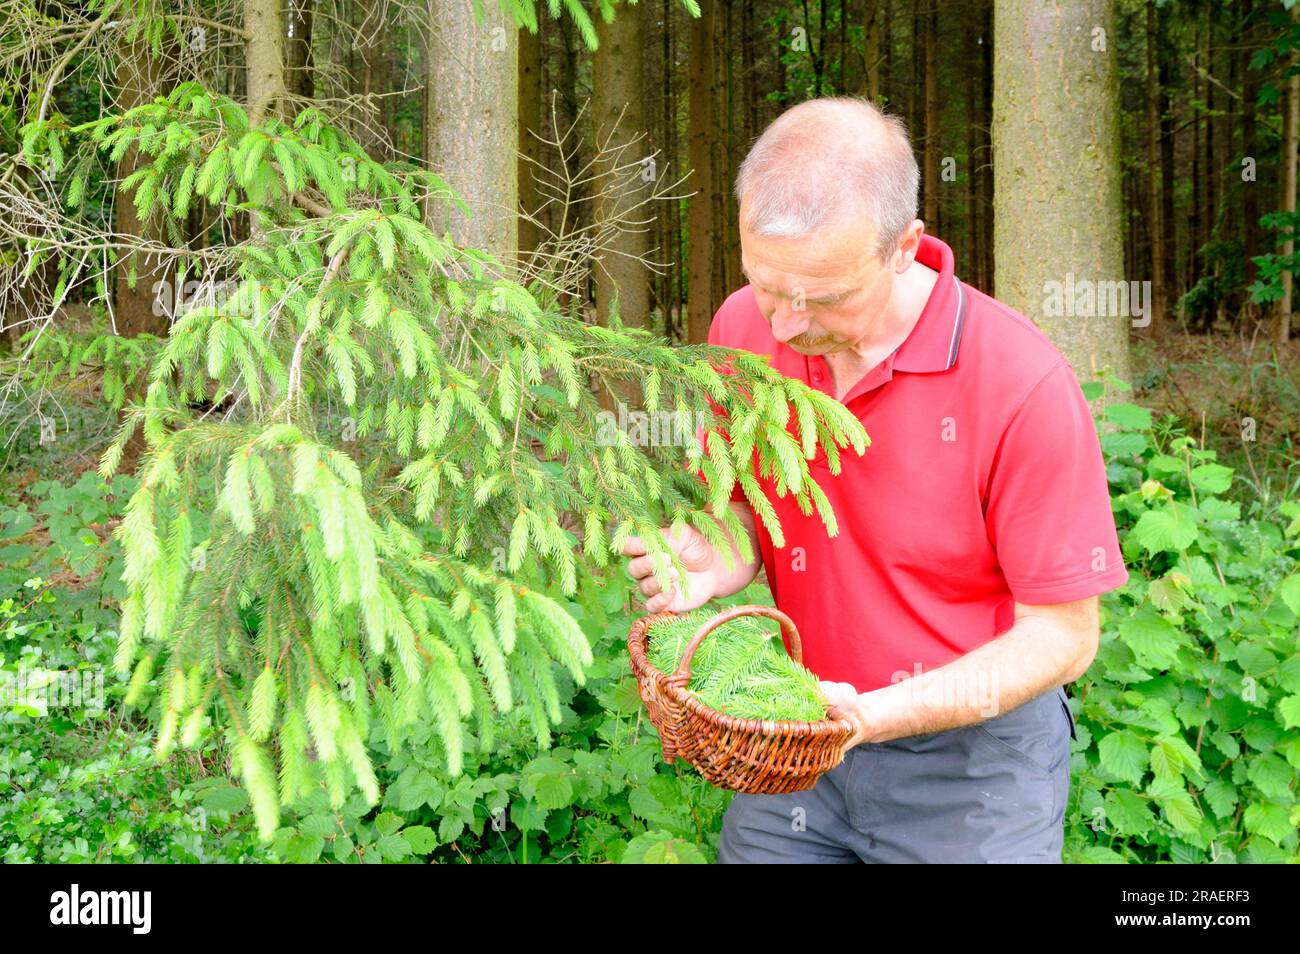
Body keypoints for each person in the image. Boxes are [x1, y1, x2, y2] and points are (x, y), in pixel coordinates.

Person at [620, 96, 1130, 863]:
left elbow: (1063, 636)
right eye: (766, 284)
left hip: (974, 767)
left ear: (904, 248)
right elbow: (747, 507)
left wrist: (875, 715)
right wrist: (720, 556)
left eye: (823, 298)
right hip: (795, 737)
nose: (785, 325)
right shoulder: (740, 328)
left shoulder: (1019, 384)